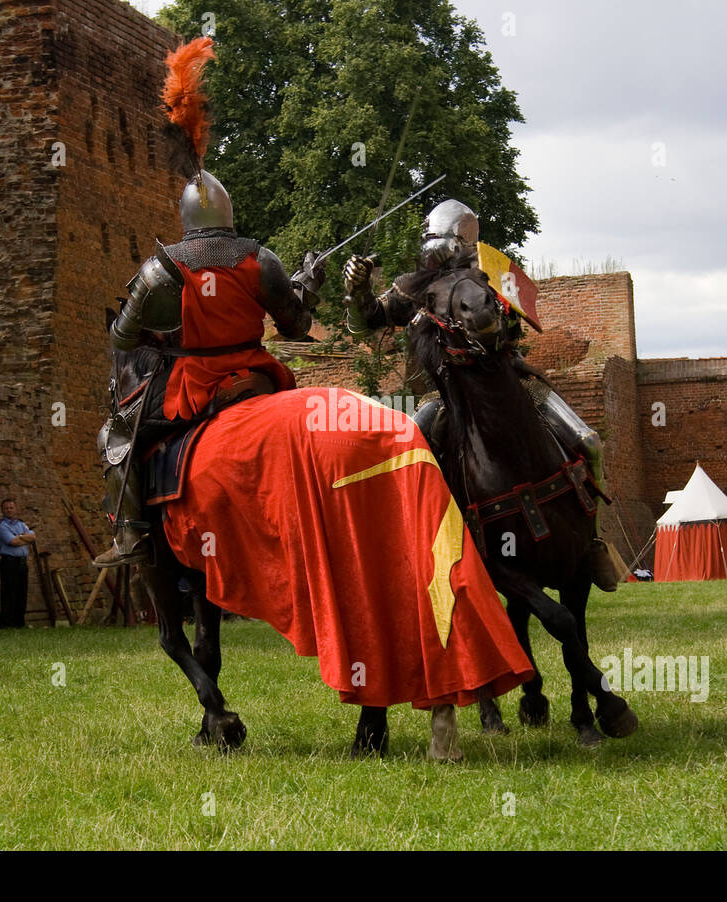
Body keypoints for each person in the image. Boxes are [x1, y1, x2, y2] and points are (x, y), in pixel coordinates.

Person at [343, 199, 622, 591]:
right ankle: (421, 553)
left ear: (461, 239)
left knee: (589, 442)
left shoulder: (491, 272)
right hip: (446, 398)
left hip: (513, 383)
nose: (431, 246)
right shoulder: (412, 287)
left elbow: (508, 326)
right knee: (410, 462)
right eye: (429, 239)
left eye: (439, 239)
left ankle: (592, 541)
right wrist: (357, 291)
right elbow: (366, 322)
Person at [93, 167, 316, 567]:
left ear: (185, 216)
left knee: (115, 434)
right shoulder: (261, 260)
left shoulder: (163, 269)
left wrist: (159, 335)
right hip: (257, 374)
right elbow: (296, 325)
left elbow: (121, 339)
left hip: (195, 382)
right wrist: (306, 287)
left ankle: (130, 536)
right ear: (227, 212)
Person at [0, 498, 35, 629]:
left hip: (22, 563)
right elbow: (12, 542)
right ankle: (7, 624)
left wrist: (20, 537)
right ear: (2, 510)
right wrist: (24, 537)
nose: (9, 510)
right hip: (9, 563)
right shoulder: (1, 526)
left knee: (21, 592)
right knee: (9, 593)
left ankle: (20, 623)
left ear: (15, 509)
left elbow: (33, 537)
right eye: (6, 508)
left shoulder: (21, 524)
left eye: (11, 508)